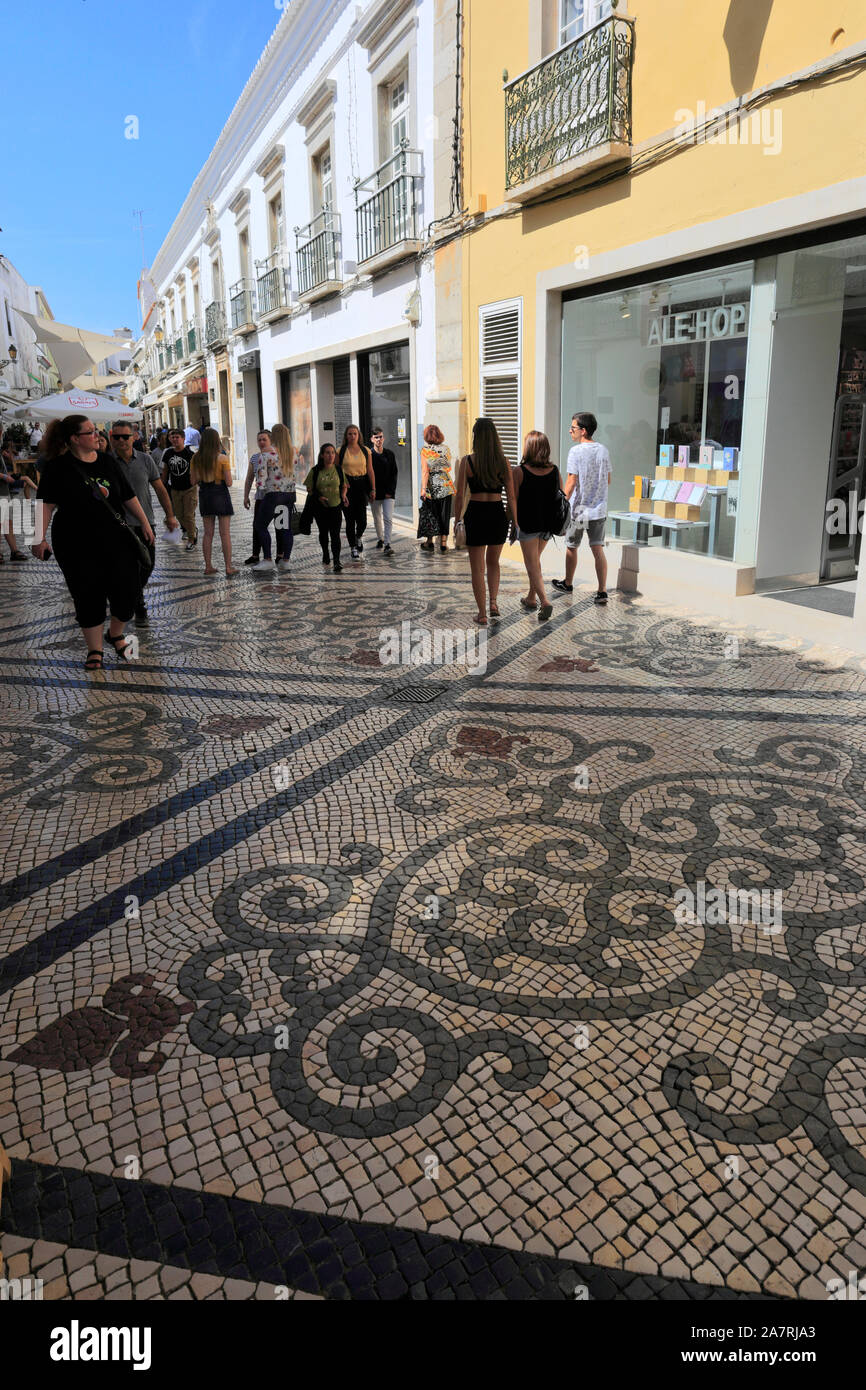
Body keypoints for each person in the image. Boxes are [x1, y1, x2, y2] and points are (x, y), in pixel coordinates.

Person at [31, 415, 154, 670]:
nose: (97, 435)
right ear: (75, 439)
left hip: (116, 539)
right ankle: (94, 650)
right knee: (87, 593)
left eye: (96, 430)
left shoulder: (107, 462)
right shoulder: (58, 467)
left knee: (128, 590)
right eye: (90, 432)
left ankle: (116, 633)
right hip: (75, 543)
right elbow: (45, 505)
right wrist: (38, 538)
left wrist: (144, 522)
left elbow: (128, 495)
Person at [110, 420, 179, 626]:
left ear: (134, 437)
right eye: (117, 437)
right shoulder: (106, 463)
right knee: (128, 568)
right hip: (118, 526)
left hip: (145, 523)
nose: (121, 441)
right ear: (112, 438)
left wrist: (170, 515)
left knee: (148, 564)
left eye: (125, 436)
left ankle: (131, 596)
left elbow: (160, 489)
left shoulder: (145, 460)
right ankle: (139, 608)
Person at [453, 417, 517, 626]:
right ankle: (494, 603)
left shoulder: (468, 462)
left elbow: (460, 496)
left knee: (477, 568)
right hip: (497, 514)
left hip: (476, 514)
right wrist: (515, 521)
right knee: (494, 562)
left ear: (476, 437)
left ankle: (481, 613)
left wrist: (457, 520)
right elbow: (512, 496)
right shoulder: (503, 461)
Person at [552, 411, 612, 606]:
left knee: (571, 546)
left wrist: (560, 503)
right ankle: (602, 591)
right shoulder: (603, 450)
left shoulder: (575, 452)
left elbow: (571, 481)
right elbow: (608, 479)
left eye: (573, 428)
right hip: (599, 508)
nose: (571, 431)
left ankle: (568, 583)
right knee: (597, 548)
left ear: (583, 431)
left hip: (580, 508)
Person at [513, 430, 561, 622]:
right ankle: (531, 598)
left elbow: (513, 500)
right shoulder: (554, 470)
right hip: (548, 524)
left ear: (528, 448)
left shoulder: (519, 471)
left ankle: (545, 601)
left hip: (528, 523)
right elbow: (561, 495)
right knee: (536, 562)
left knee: (532, 564)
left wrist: (514, 524)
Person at [192, 426, 237, 576]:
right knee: (225, 534)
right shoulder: (222, 458)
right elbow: (229, 482)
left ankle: (208, 566)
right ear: (216, 441)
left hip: (205, 494)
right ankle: (228, 567)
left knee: (208, 534)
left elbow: (193, 481)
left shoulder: (195, 458)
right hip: (220, 494)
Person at [304, 443, 348, 573]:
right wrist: (319, 497)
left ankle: (337, 561)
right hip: (320, 508)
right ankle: (325, 553)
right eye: (327, 453)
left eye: (333, 453)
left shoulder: (339, 469)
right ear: (322, 455)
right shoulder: (315, 470)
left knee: (335, 534)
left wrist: (344, 495)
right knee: (323, 533)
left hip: (335, 506)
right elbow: (309, 488)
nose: (331, 456)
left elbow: (344, 485)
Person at [338, 423, 375, 560]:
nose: (352, 436)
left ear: (358, 435)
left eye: (355, 433)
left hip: (361, 486)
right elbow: (336, 471)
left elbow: (370, 470)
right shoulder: (340, 451)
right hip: (346, 487)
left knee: (363, 521)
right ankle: (353, 547)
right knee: (349, 520)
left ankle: (358, 536)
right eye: (350, 434)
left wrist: (373, 488)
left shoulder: (365, 451)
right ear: (346, 436)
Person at [418, 424, 455, 553]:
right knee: (444, 515)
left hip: (431, 488)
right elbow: (447, 466)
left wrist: (423, 488)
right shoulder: (446, 449)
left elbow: (425, 471)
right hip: (446, 486)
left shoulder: (425, 450)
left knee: (431, 515)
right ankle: (443, 544)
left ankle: (429, 542)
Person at [160, 428, 198, 550]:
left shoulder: (190, 454)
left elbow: (196, 471)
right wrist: (162, 485)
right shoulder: (168, 453)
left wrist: (195, 483)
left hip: (189, 489)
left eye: (177, 437)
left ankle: (192, 539)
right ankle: (192, 529)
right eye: (173, 437)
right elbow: (165, 470)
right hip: (175, 489)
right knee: (179, 514)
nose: (175, 439)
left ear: (183, 439)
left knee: (188, 515)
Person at [0, 443, 34, 562]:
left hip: (3, 490)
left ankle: (14, 551)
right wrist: (4, 476)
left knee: (7, 522)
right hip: (1, 489)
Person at [369, 426, 397, 555]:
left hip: (388, 493)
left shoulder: (390, 454)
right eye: (376, 437)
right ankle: (380, 538)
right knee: (376, 517)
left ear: (383, 438)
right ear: (372, 439)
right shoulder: (369, 455)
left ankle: (387, 544)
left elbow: (394, 474)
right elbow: (367, 474)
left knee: (388, 518)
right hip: (374, 492)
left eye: (380, 437)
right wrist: (370, 491)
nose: (379, 439)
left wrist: (390, 491)